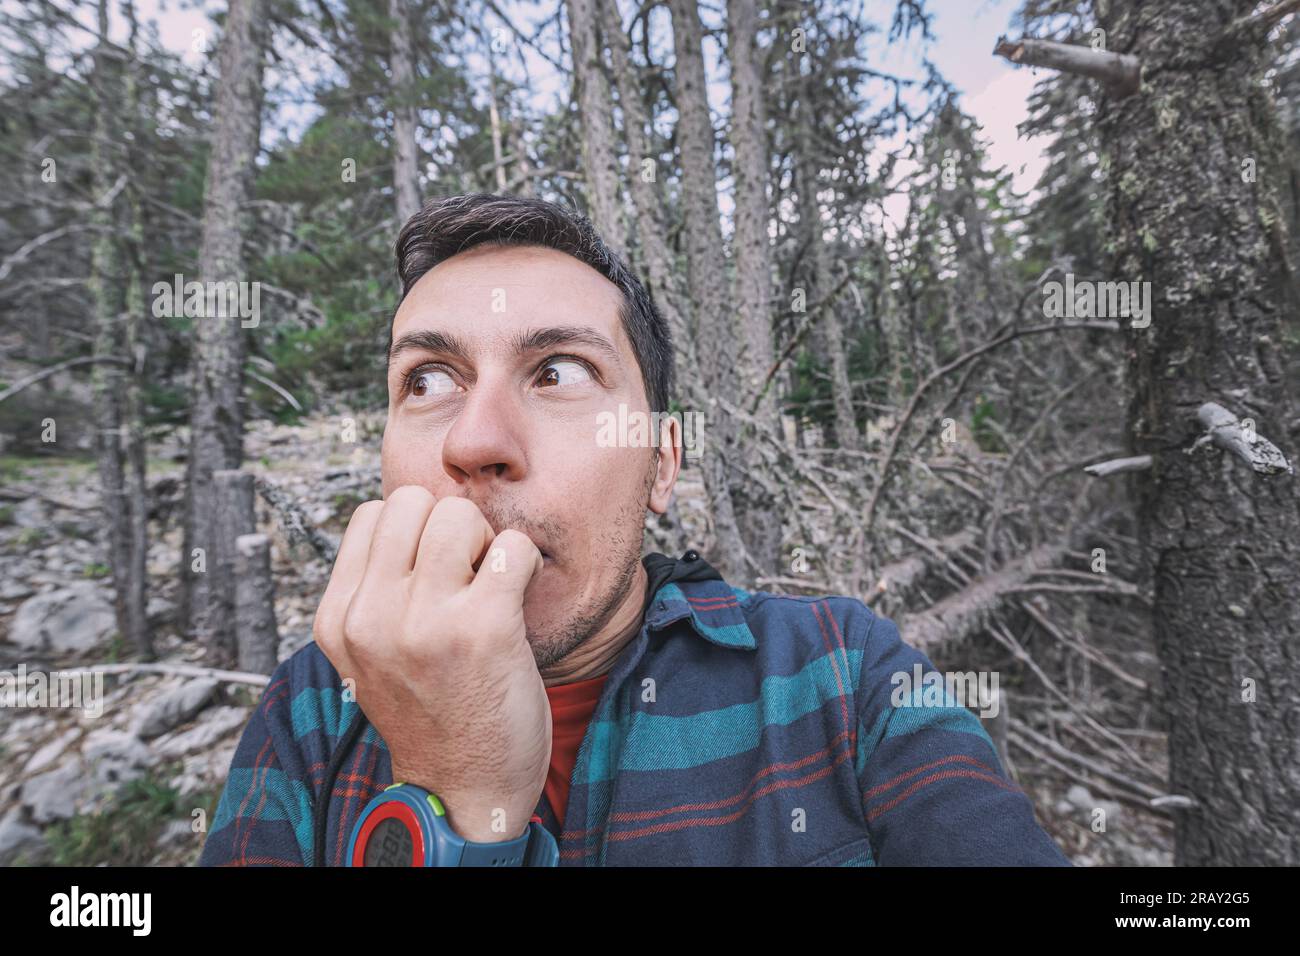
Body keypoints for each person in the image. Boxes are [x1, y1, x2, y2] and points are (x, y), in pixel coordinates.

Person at [199, 193, 1070, 867]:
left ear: (660, 462)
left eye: (559, 371)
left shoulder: (842, 677)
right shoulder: (313, 713)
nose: (475, 443)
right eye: (427, 380)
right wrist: (456, 802)